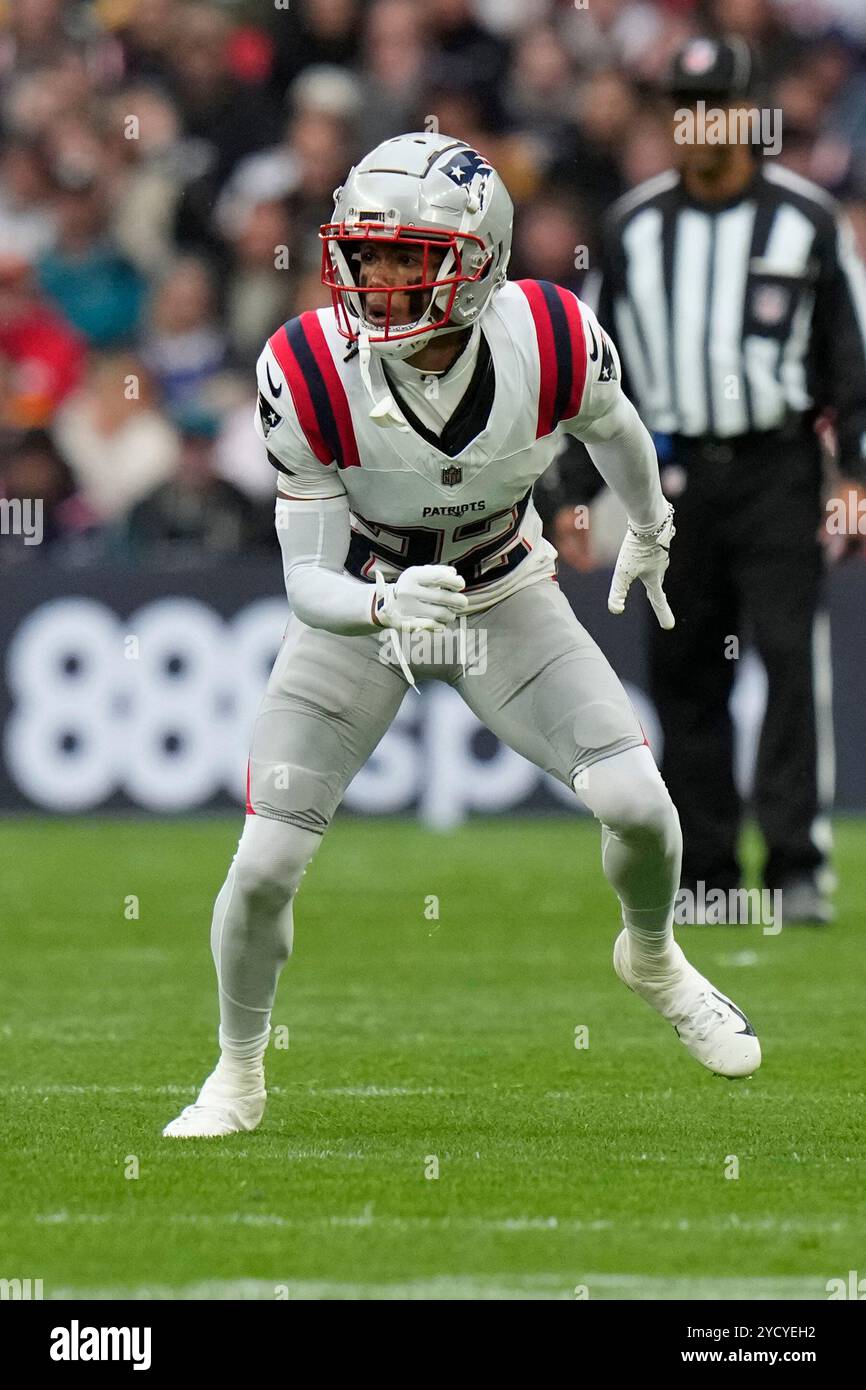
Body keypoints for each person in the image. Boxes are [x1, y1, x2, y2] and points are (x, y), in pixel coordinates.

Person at [163, 131, 760, 1139]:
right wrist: (384, 608)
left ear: (478, 262)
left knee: (641, 809)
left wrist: (651, 528)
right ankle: (236, 1071)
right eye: (369, 252)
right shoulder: (308, 367)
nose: (380, 278)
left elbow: (615, 429)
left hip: (504, 591)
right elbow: (305, 581)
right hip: (364, 607)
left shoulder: (550, 335)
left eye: (409, 257)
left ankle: (651, 953)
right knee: (261, 864)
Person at [554, 37, 866, 924]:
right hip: (672, 477)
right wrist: (577, 487)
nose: (699, 122)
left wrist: (856, 475)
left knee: (787, 662)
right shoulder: (634, 225)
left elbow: (852, 366)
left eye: (715, 102)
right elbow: (597, 371)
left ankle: (797, 864)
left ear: (747, 111)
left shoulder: (807, 221)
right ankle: (710, 875)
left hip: (778, 468)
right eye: (684, 105)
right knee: (686, 673)